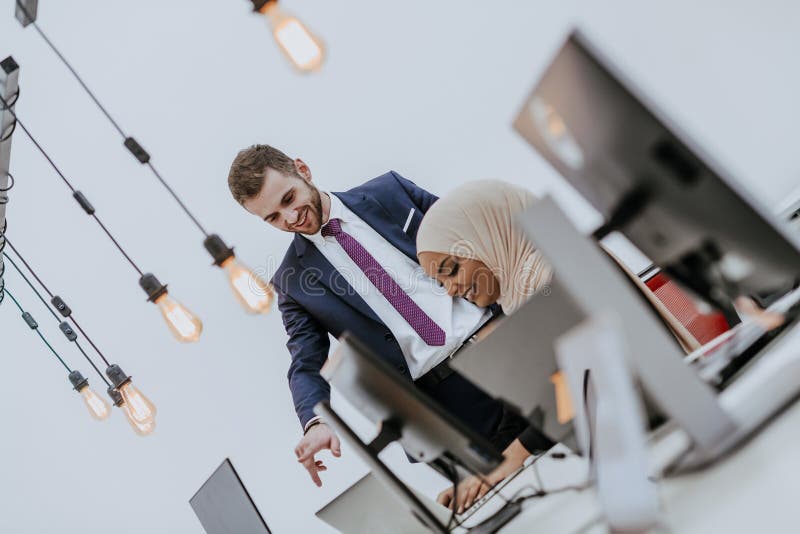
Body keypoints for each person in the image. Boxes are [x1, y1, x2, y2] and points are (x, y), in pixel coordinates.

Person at [227, 146, 550, 490]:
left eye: (289, 198)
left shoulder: (389, 191)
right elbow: (305, 362)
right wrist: (314, 422)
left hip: (503, 346)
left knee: (570, 437)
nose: (290, 218)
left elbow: (475, 237)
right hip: (447, 407)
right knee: (509, 501)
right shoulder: (292, 282)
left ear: (303, 170)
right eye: (273, 218)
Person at [416, 179, 701, 511]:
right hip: (638, 448)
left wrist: (515, 457)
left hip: (671, 436)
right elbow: (530, 405)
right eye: (441, 283)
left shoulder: (553, 273)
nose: (451, 290)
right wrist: (486, 472)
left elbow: (592, 378)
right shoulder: (517, 296)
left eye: (452, 270)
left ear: (487, 236)